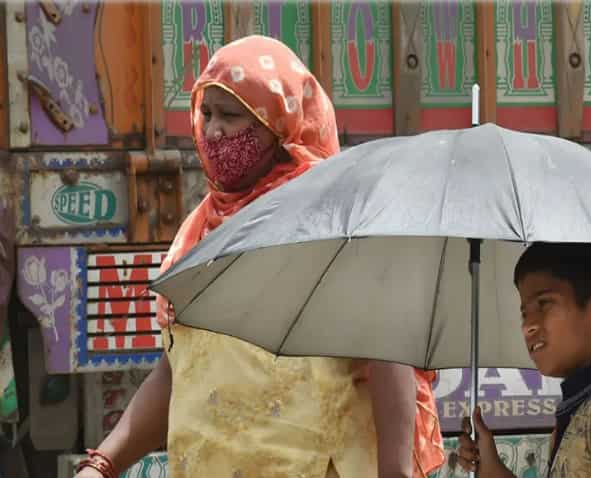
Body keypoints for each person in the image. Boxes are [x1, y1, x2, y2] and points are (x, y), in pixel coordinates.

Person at [74, 35, 443, 478]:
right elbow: (182, 368)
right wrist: (102, 465)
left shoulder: (330, 219)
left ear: (279, 123)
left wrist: (395, 473)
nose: (212, 131)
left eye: (230, 116)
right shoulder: (202, 232)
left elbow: (388, 348)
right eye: (205, 114)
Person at [457, 243, 591, 478]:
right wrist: (491, 467)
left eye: (543, 304)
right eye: (524, 313)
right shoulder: (583, 405)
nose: (528, 326)